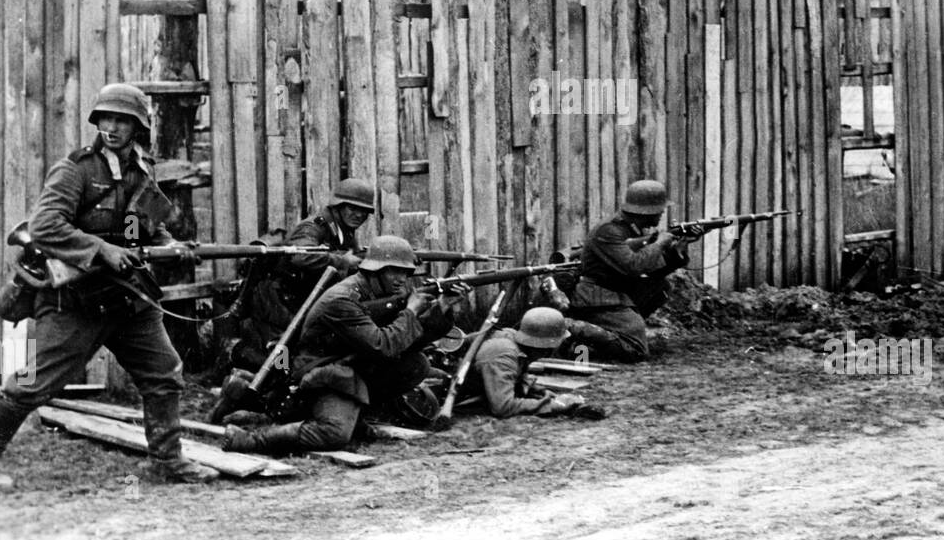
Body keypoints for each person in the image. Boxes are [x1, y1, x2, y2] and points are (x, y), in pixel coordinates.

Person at [0, 84, 219, 483]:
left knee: (164, 373)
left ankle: (166, 461)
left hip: (126, 298)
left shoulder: (141, 169)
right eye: (106, 118)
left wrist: (170, 246)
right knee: (35, 383)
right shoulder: (76, 169)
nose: (112, 128)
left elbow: (136, 229)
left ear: (137, 126)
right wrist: (101, 249)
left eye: (122, 120)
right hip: (74, 299)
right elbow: (45, 227)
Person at [222, 236, 452, 454]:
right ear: (375, 269)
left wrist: (442, 308)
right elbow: (383, 346)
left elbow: (407, 339)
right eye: (394, 271)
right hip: (319, 371)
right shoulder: (344, 299)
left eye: (406, 272)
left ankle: (356, 416)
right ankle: (250, 439)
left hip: (349, 365)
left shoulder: (383, 292)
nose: (401, 279)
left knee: (416, 364)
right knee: (334, 434)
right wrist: (411, 311)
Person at [233, 178, 375, 370]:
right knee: (280, 350)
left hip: (300, 299)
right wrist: (341, 261)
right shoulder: (315, 226)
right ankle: (240, 359)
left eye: (364, 211)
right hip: (278, 299)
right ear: (339, 205)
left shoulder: (344, 231)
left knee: (300, 351)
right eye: (353, 208)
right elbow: (301, 257)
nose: (359, 215)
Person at [565, 180, 700, 363]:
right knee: (636, 351)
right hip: (597, 297)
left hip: (618, 292)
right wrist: (659, 243)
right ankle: (574, 330)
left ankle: (617, 331)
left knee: (659, 287)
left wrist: (679, 248)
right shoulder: (608, 230)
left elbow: (653, 271)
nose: (662, 213)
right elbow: (634, 266)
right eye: (659, 209)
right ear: (647, 211)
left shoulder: (633, 229)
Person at [468, 307, 605, 419]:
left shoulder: (515, 343)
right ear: (546, 347)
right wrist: (555, 405)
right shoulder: (503, 354)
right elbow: (503, 407)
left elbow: (518, 379)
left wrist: (547, 394)